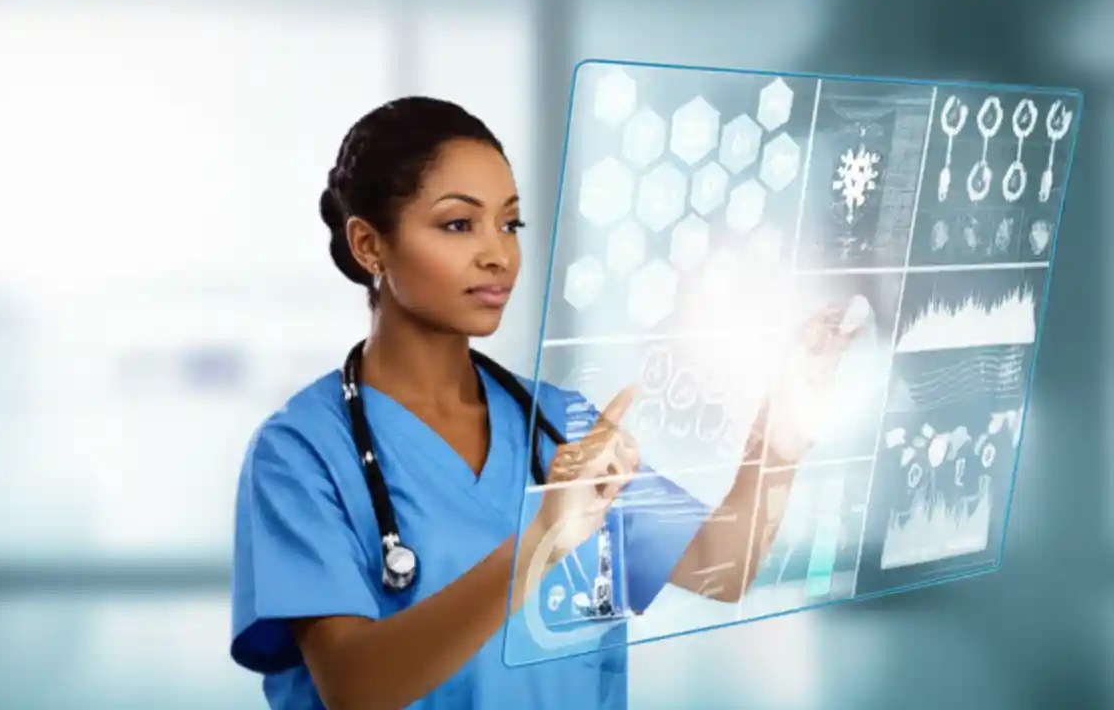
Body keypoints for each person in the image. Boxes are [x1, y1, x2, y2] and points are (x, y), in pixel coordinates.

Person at [230, 96, 859, 710]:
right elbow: (354, 688)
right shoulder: (301, 452)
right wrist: (541, 544)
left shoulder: (561, 424)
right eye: (458, 224)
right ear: (370, 245)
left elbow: (721, 566)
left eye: (509, 224)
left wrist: (780, 438)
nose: (498, 254)